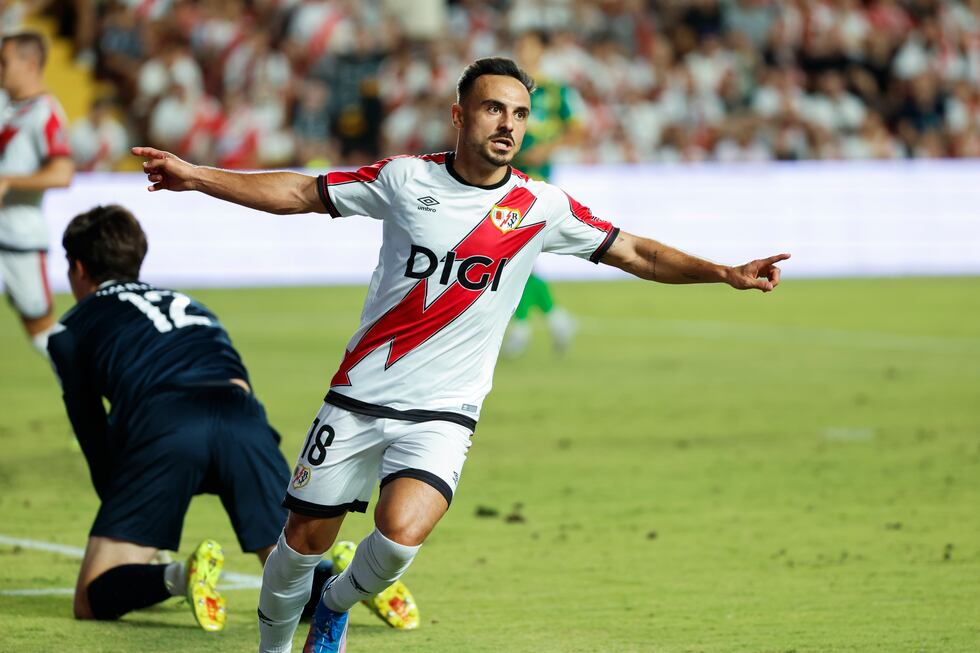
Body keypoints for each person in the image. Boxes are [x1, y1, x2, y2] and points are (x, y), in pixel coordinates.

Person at [133, 56, 789, 653]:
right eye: (494, 108)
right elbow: (303, 193)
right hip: (358, 397)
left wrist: (723, 272)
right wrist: (197, 176)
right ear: (459, 114)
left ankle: (333, 605)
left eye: (520, 114)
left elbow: (637, 252)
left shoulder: (539, 206)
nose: (509, 125)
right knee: (301, 545)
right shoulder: (404, 178)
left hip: (445, 410)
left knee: (398, 539)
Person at [47, 205, 420, 633]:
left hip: (165, 424)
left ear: (78, 268)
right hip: (242, 420)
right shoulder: (190, 304)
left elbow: (92, 434)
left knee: (91, 597)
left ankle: (180, 577)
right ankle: (345, 581)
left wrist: (126, 508)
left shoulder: (70, 332)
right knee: (285, 568)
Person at [503, 29, 586, 358]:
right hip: (506, 175)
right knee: (516, 251)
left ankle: (523, 325)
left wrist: (548, 149)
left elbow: (578, 129)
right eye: (520, 44)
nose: (524, 50)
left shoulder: (555, 89)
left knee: (515, 248)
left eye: (529, 45)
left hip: (536, 178)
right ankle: (555, 318)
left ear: (541, 50)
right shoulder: (507, 88)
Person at [0, 32, 75, 356]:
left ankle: (87, 381)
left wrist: (9, 181)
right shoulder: (6, 105)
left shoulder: (45, 112)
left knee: (41, 329)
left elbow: (62, 173)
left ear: (30, 64)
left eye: (4, 62)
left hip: (20, 237)